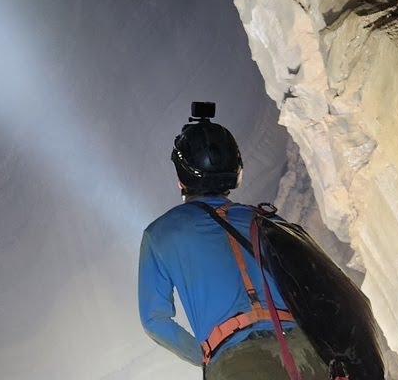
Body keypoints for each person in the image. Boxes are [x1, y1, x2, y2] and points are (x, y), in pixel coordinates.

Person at [138, 103, 331, 380]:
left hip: (236, 360)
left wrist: (206, 357)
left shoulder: (160, 233)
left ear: (182, 178)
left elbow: (154, 321)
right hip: (304, 351)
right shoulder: (267, 220)